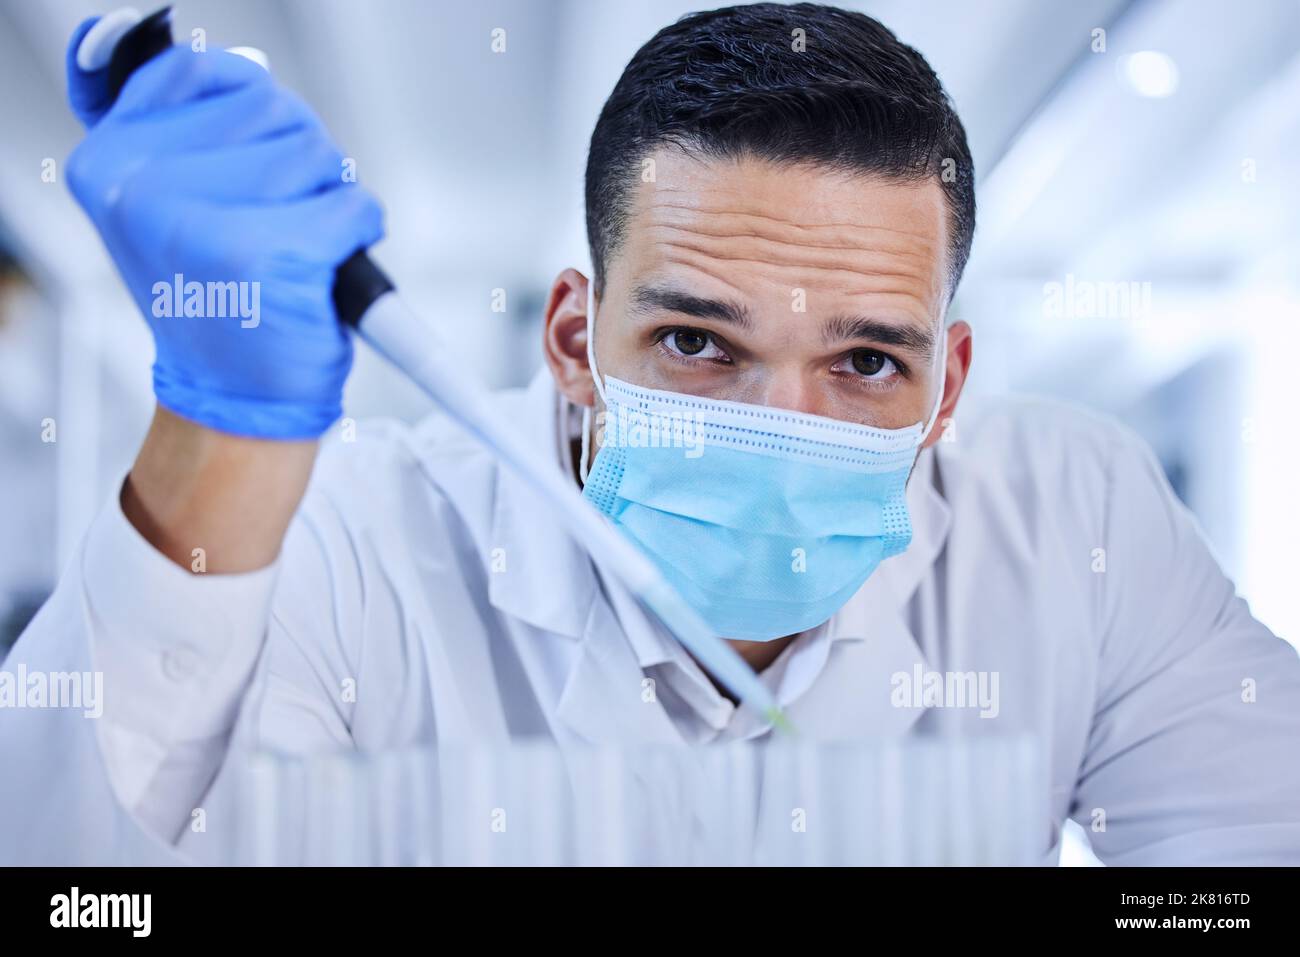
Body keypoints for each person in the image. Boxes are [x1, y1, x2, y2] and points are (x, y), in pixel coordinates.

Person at [2, 2, 1297, 866]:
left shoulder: (1076, 528)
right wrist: (214, 434)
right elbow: (74, 880)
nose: (780, 429)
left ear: (947, 382)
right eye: (698, 342)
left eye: (864, 360)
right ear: (576, 341)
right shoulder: (362, 542)